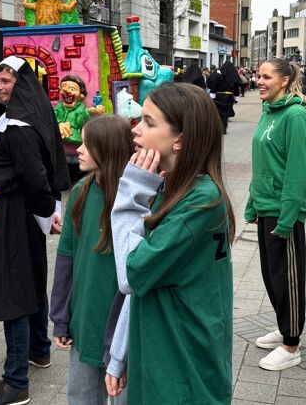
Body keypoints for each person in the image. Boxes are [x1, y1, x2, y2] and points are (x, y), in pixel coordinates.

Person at [104, 83, 235, 403]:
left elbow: (131, 274)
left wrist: (131, 194)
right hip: (168, 356)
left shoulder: (199, 201)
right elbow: (143, 284)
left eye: (149, 122)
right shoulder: (178, 188)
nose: (135, 129)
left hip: (180, 371)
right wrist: (121, 355)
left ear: (180, 139)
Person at [0, 56, 71, 405]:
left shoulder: (19, 127)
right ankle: (38, 350)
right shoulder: (20, 120)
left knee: (12, 290)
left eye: (6, 81)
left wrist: (49, 214)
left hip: (11, 216)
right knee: (29, 281)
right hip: (16, 214)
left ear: (22, 86)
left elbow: (35, 178)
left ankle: (15, 383)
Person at [50, 115, 134, 404]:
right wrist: (61, 316)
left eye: (88, 143)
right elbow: (66, 258)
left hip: (125, 330)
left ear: (108, 148)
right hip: (85, 321)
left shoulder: (136, 199)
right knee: (82, 396)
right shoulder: (81, 193)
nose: (80, 150)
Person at [246, 58, 306, 371]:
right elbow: (264, 163)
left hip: (283, 212)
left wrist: (288, 218)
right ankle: (283, 324)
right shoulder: (268, 111)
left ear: (285, 80)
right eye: (258, 76)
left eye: (266, 77)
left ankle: (291, 343)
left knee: (287, 278)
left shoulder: (295, 116)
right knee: (271, 276)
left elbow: (297, 173)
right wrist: (252, 202)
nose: (259, 81)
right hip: (266, 207)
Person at [207, 60, 242, 134]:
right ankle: (224, 128)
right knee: (225, 114)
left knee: (218, 112)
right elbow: (236, 87)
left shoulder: (217, 75)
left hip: (218, 96)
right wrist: (236, 97)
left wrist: (212, 94)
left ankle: (218, 127)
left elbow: (213, 84)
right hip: (229, 97)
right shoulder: (233, 75)